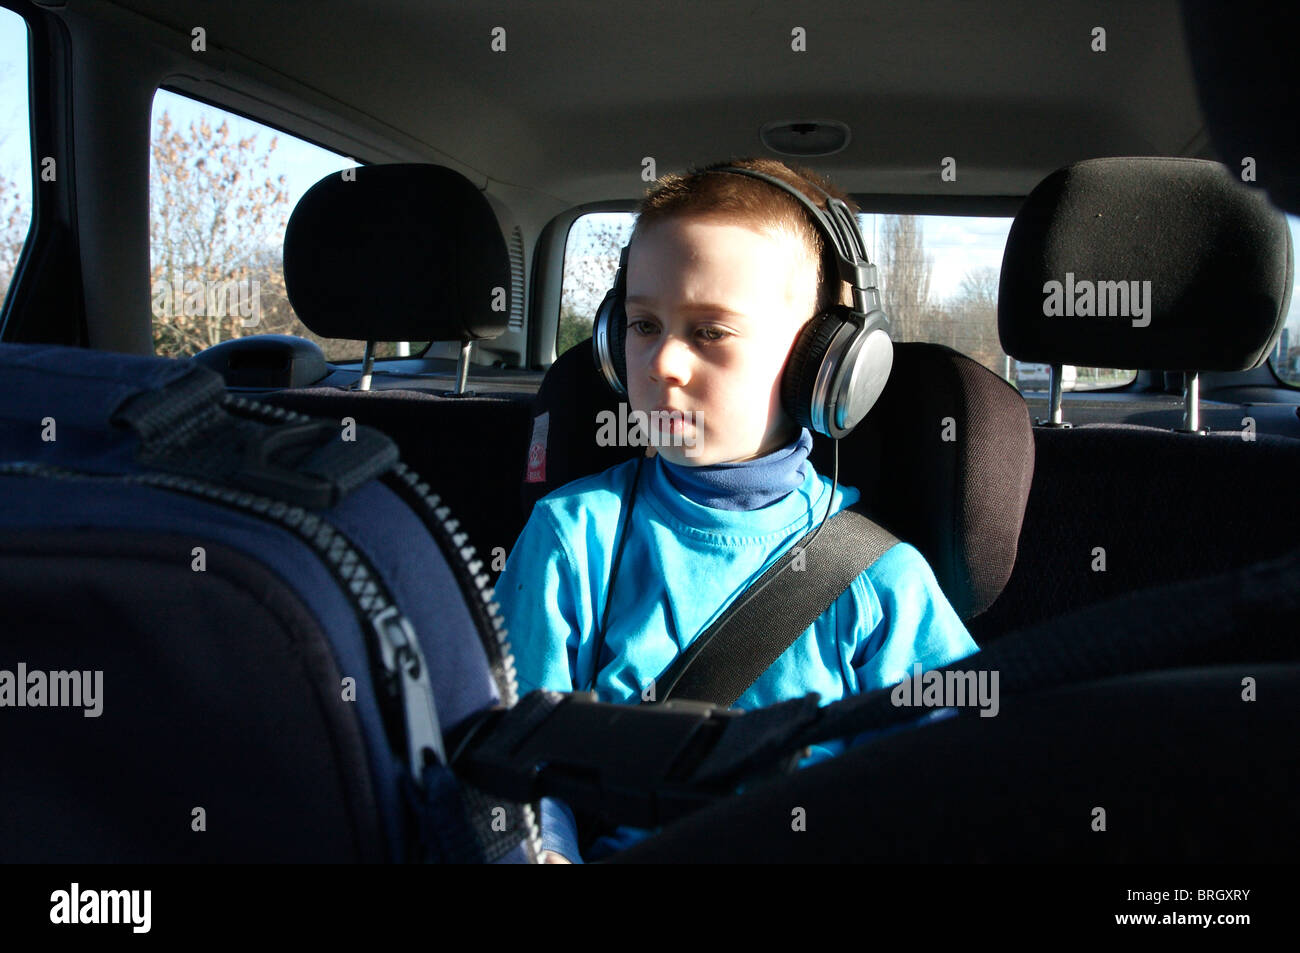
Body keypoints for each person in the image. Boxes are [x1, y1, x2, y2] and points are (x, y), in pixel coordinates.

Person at [495, 157, 979, 863]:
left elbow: (947, 791)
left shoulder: (881, 581)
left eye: (710, 332)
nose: (661, 363)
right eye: (641, 325)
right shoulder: (574, 538)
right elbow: (513, 764)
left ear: (824, 363)